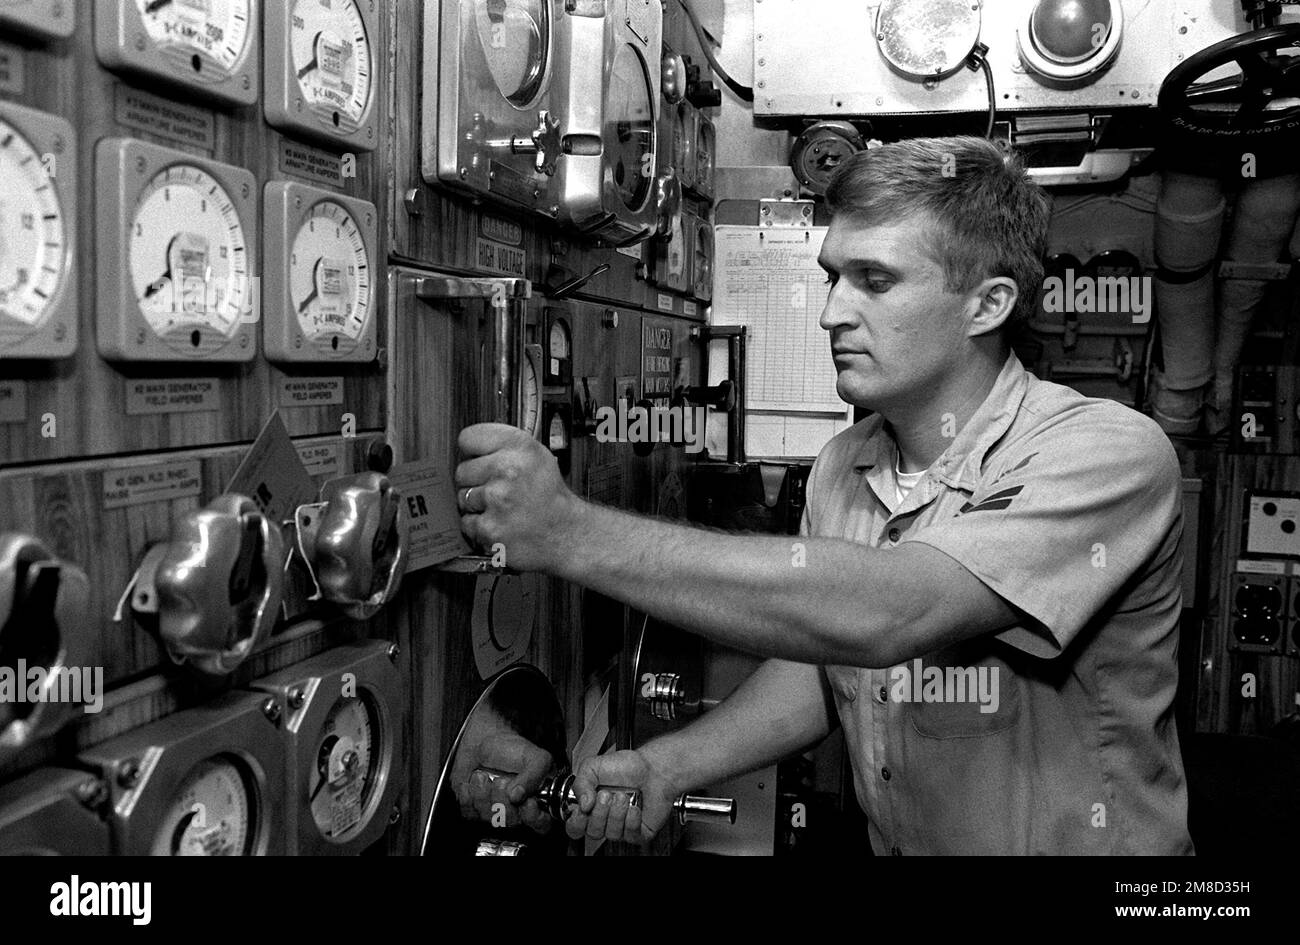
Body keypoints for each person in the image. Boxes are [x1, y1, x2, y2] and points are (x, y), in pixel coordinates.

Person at [453, 135, 1193, 855]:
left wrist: (572, 534)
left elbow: (895, 611)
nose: (832, 312)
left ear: (988, 304)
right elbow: (827, 664)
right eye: (832, 276)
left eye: (874, 281)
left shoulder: (1106, 454)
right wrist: (667, 766)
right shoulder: (843, 462)